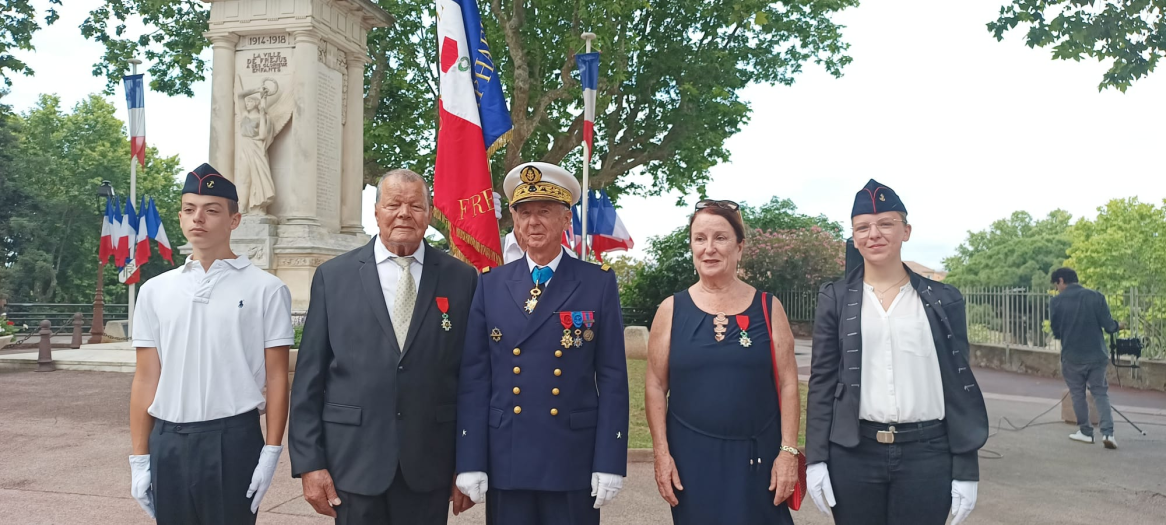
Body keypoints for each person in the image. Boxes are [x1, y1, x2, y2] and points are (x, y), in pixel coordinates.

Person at [288, 169, 478, 524]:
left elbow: (471, 379)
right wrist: (310, 463)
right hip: (353, 464)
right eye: (393, 204)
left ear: (429, 213)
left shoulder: (461, 278)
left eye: (415, 205)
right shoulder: (334, 277)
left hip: (430, 463)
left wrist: (468, 464)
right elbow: (309, 378)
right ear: (375, 212)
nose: (404, 213)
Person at [805, 179, 989, 525]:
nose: (874, 233)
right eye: (863, 227)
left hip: (928, 454)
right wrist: (816, 459)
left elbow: (958, 385)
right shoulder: (837, 298)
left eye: (886, 223)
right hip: (854, 453)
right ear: (855, 237)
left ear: (906, 231)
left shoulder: (942, 299)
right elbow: (822, 383)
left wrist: (966, 466)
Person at [455, 161, 630, 525]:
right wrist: (471, 459)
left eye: (544, 212)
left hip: (571, 458)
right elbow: (475, 379)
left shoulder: (596, 283)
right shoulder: (490, 284)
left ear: (566, 220)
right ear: (514, 222)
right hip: (508, 457)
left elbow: (613, 378)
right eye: (524, 213)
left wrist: (610, 460)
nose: (533, 223)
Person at [128, 162, 293, 524]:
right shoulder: (155, 290)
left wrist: (271, 450)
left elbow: (278, 376)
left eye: (211, 210)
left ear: (234, 220)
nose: (197, 218)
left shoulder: (266, 289)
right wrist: (139, 459)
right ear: (181, 216)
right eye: (190, 209)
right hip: (167, 440)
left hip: (232, 439)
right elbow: (145, 378)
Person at [644, 199, 801, 525]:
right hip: (692, 462)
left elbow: (788, 384)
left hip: (759, 460)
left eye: (721, 238)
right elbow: (656, 385)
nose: (709, 248)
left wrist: (788, 453)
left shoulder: (769, 308)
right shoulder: (670, 311)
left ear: (740, 247)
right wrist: (662, 454)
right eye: (700, 238)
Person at [1050, 267, 1121, 449]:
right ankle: (1108, 433)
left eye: (1056, 284)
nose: (1056, 288)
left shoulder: (1056, 302)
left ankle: (1086, 432)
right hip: (1096, 354)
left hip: (1072, 356)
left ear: (1061, 281)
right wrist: (1118, 325)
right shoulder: (1096, 296)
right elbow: (1109, 326)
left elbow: (1056, 332)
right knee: (1100, 393)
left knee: (1077, 394)